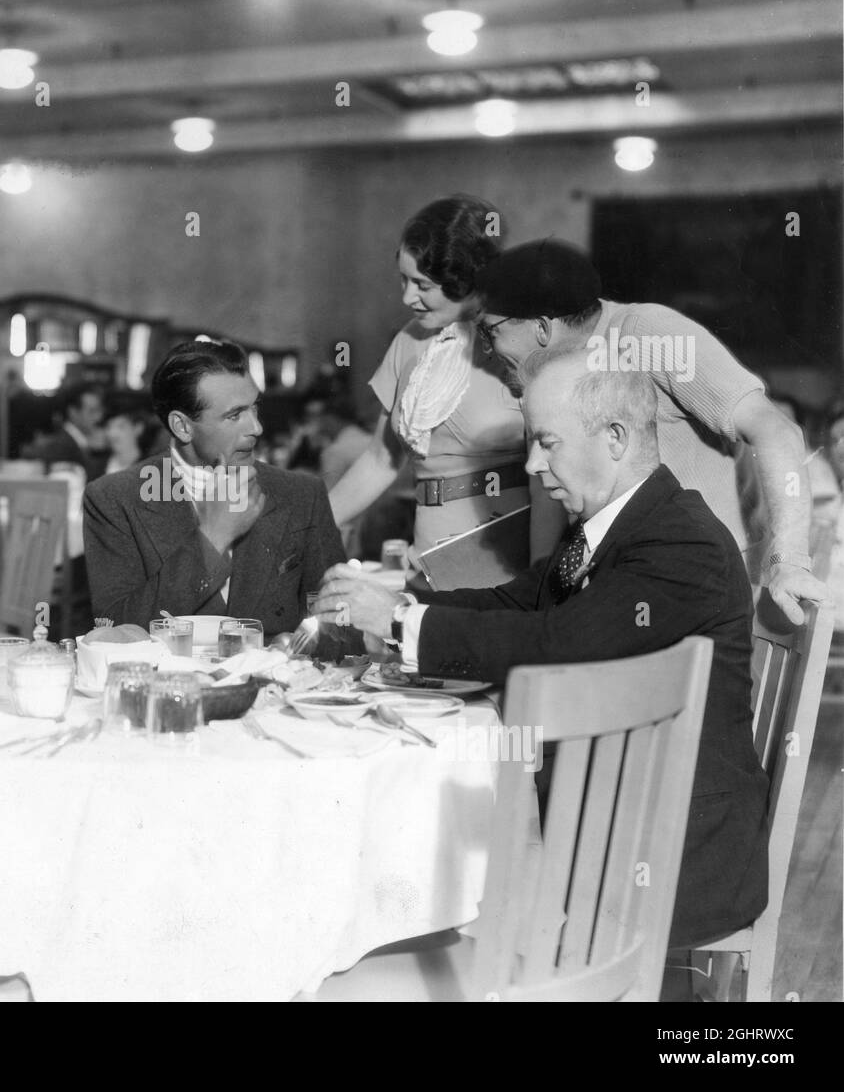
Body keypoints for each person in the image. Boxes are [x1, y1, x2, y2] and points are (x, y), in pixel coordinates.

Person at [316, 352, 769, 949]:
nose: (532, 464)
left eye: (547, 443)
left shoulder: (680, 544)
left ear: (615, 437)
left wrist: (400, 621)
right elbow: (514, 605)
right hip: (613, 820)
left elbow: (558, 643)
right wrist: (399, 600)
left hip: (673, 859)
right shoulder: (618, 525)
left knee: (423, 887)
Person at [474, 237, 828, 626]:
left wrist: (789, 561)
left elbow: (777, 431)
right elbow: (547, 496)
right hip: (633, 581)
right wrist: (541, 599)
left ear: (541, 327)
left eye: (489, 332)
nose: (488, 350)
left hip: (715, 587)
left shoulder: (649, 334)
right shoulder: (545, 376)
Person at [326, 195, 565, 585]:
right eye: (403, 280)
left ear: (468, 278)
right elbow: (379, 462)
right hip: (428, 555)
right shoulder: (408, 341)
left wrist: (538, 580)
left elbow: (546, 483)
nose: (406, 297)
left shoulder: (517, 344)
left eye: (422, 284)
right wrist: (309, 526)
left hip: (503, 559)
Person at [84, 339, 353, 639]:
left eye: (255, 408)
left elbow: (340, 626)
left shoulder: (302, 494)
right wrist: (213, 537)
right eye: (234, 415)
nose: (256, 427)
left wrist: (296, 656)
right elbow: (114, 633)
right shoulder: (114, 499)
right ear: (182, 426)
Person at [28, 381, 108, 481]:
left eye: (99, 410)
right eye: (91, 411)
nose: (98, 417)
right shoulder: (60, 447)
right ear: (73, 412)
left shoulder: (82, 441)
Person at [102, 392, 161, 474]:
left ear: (138, 428)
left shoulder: (151, 469)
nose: (112, 433)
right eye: (108, 427)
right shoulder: (97, 466)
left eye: (121, 427)